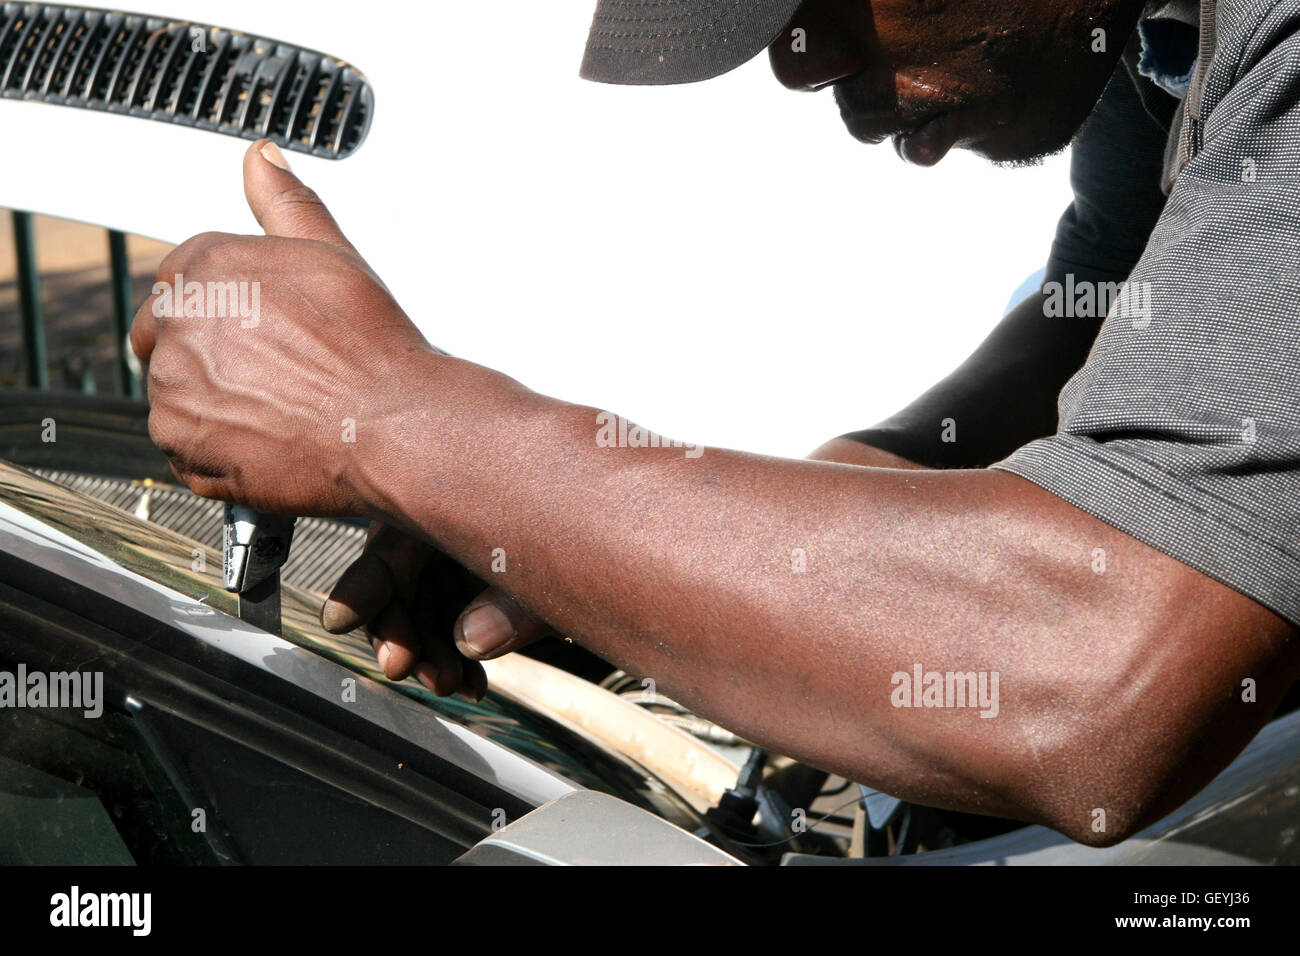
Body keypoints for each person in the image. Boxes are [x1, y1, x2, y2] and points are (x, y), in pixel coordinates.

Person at [129, 0, 1300, 845]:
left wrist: (393, 420)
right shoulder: (1160, 40)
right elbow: (1090, 321)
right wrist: (622, 548)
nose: (801, 64)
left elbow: (1098, 676)